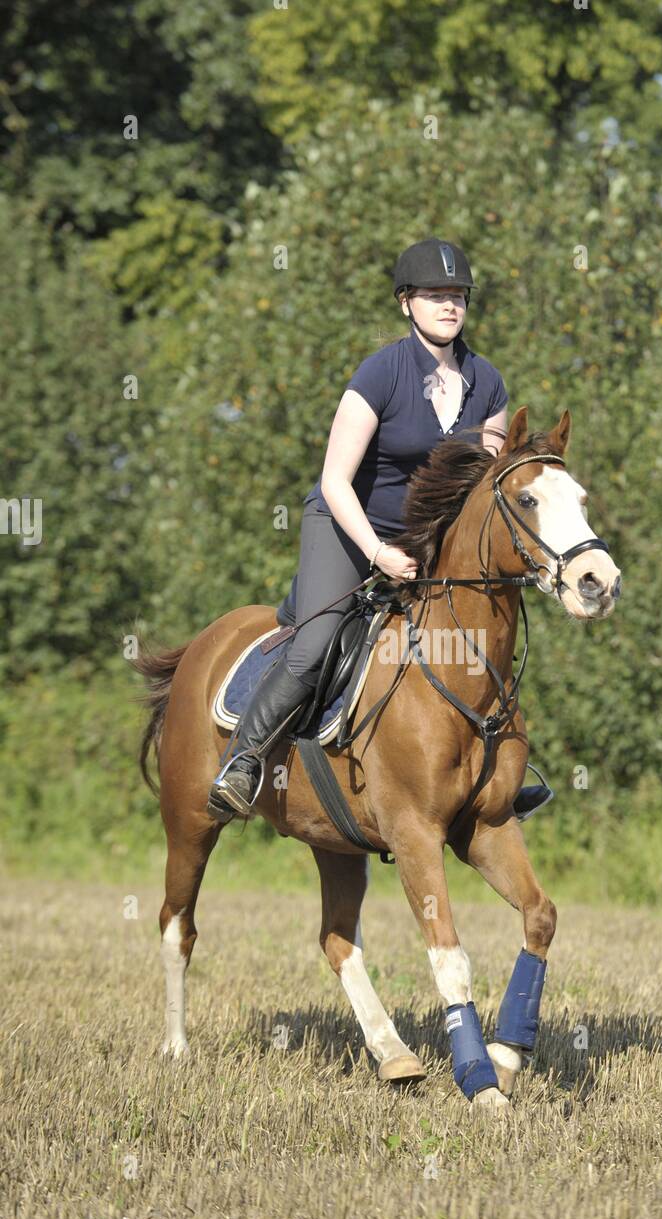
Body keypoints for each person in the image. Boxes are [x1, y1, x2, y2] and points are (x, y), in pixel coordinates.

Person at [208, 237, 509, 822]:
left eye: (458, 296)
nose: (449, 306)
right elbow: (334, 479)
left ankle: (497, 779)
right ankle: (241, 761)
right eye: (434, 295)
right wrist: (378, 552)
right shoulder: (381, 373)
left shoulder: (487, 382)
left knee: (485, 641)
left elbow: (485, 488)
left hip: (430, 544)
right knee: (317, 642)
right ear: (406, 303)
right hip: (348, 526)